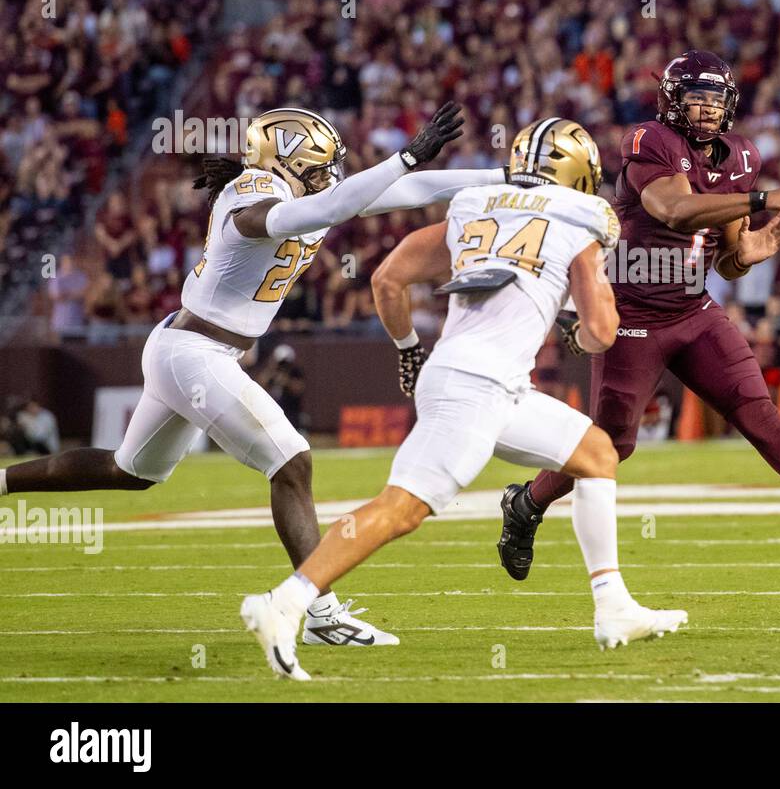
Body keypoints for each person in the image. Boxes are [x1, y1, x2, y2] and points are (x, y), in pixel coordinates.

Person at [1, 103, 504, 649]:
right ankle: (319, 611)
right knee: (291, 460)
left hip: (189, 348)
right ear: (282, 163)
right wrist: (403, 156)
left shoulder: (303, 195)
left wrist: (506, 179)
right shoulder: (251, 195)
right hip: (195, 353)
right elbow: (320, 208)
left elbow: (413, 190)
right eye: (316, 169)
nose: (326, 178)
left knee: (131, 470)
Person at [241, 118, 686, 681]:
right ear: (580, 174)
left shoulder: (477, 204)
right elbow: (600, 331)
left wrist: (407, 348)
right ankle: (282, 605)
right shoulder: (582, 218)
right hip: (479, 387)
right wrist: (580, 322)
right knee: (401, 509)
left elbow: (387, 279)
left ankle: (613, 606)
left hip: (478, 378)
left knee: (596, 454)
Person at [496, 51, 780, 582]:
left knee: (762, 418)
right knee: (614, 443)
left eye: (714, 98)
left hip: (693, 309)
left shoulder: (740, 156)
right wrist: (762, 200)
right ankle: (526, 504)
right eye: (695, 97)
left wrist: (749, 252)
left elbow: (726, 258)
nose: (705, 108)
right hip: (631, 313)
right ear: (672, 101)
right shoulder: (649, 140)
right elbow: (674, 210)